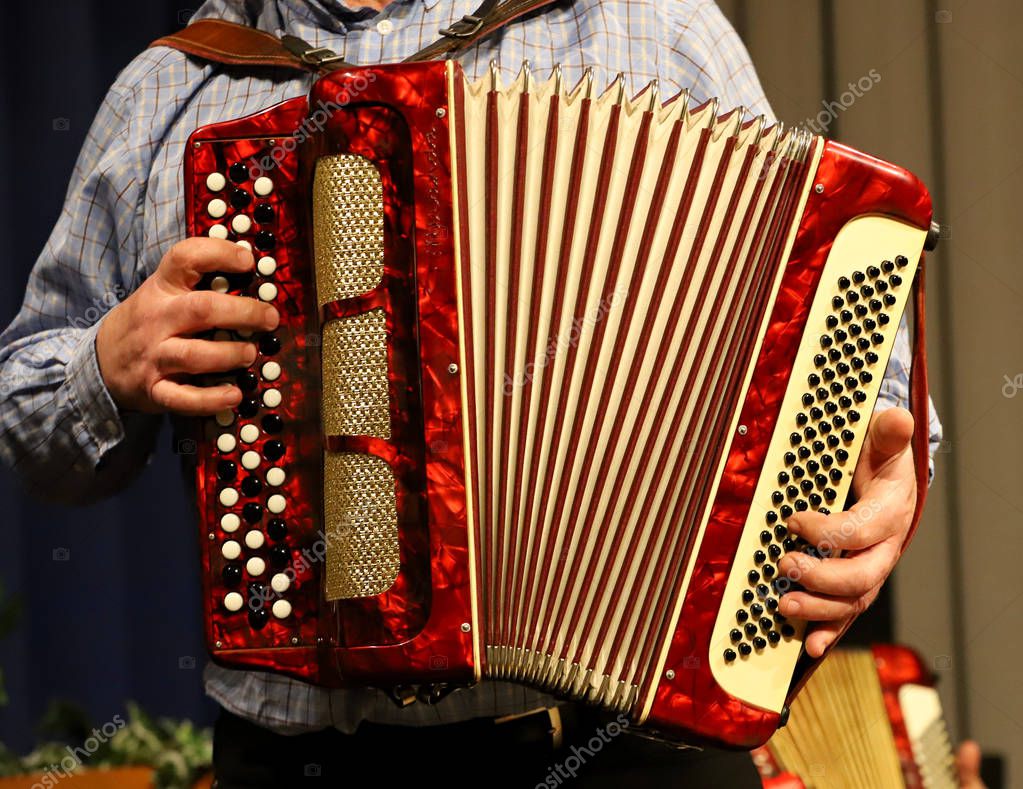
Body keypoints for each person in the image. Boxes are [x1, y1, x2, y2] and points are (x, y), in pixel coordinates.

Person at [0, 1, 949, 786]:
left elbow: (827, 316)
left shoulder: (649, 29)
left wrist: (889, 487)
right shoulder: (172, 89)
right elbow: (25, 415)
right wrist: (106, 363)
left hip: (624, 749)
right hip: (305, 756)